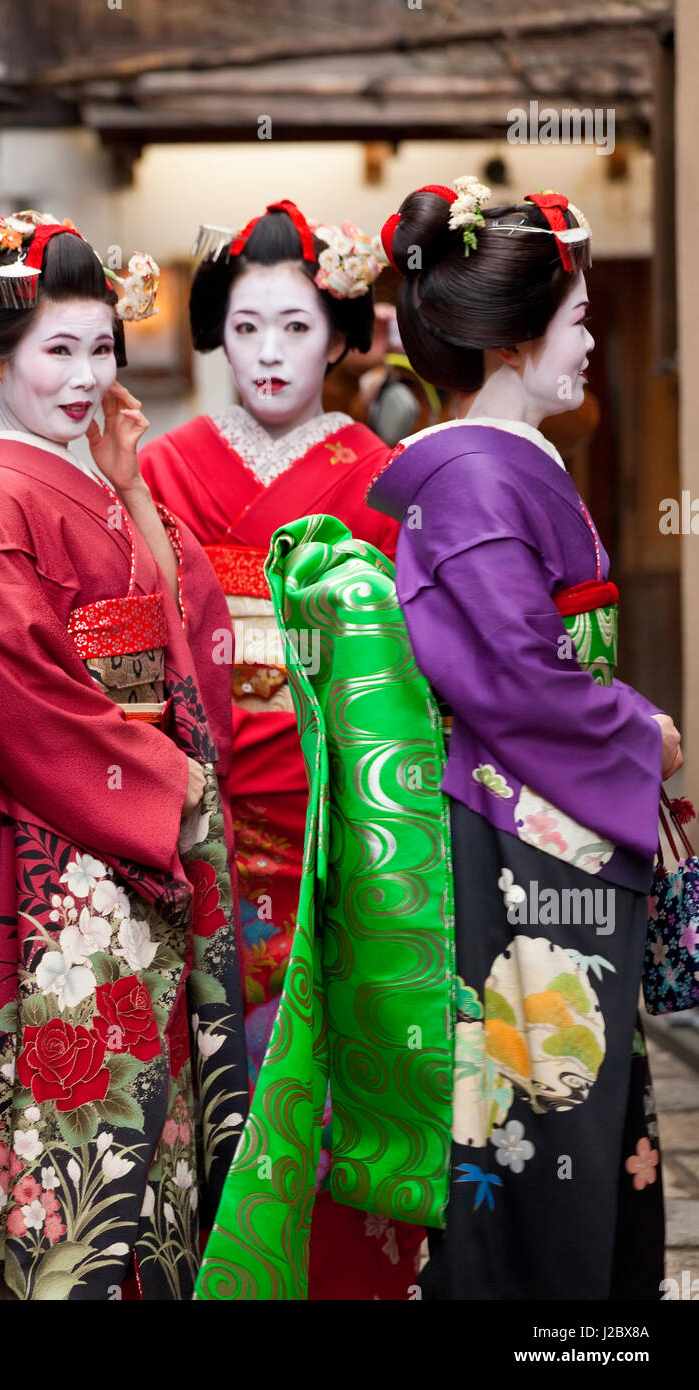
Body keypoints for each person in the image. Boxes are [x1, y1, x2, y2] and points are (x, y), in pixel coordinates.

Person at [0, 209, 249, 1300]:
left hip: (115, 841)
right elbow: (17, 697)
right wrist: (166, 794)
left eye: (99, 348)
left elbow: (185, 639)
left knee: (139, 1139)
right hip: (45, 864)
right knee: (63, 1141)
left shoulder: (86, 478)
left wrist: (130, 483)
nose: (84, 378)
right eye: (56, 351)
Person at [360, 179, 677, 1298]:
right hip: (515, 830)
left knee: (577, 1104)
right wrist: (634, 731)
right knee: (538, 1109)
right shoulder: (479, 474)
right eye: (579, 318)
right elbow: (509, 673)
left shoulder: (499, 462)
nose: (589, 340)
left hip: (540, 822)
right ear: (512, 338)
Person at [140, 202, 422, 1297]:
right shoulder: (160, 467)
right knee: (202, 1092)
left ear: (342, 336)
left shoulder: (383, 472)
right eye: (247, 325)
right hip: (194, 813)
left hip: (333, 812)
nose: (267, 353)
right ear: (215, 329)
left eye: (296, 328)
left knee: (317, 1087)